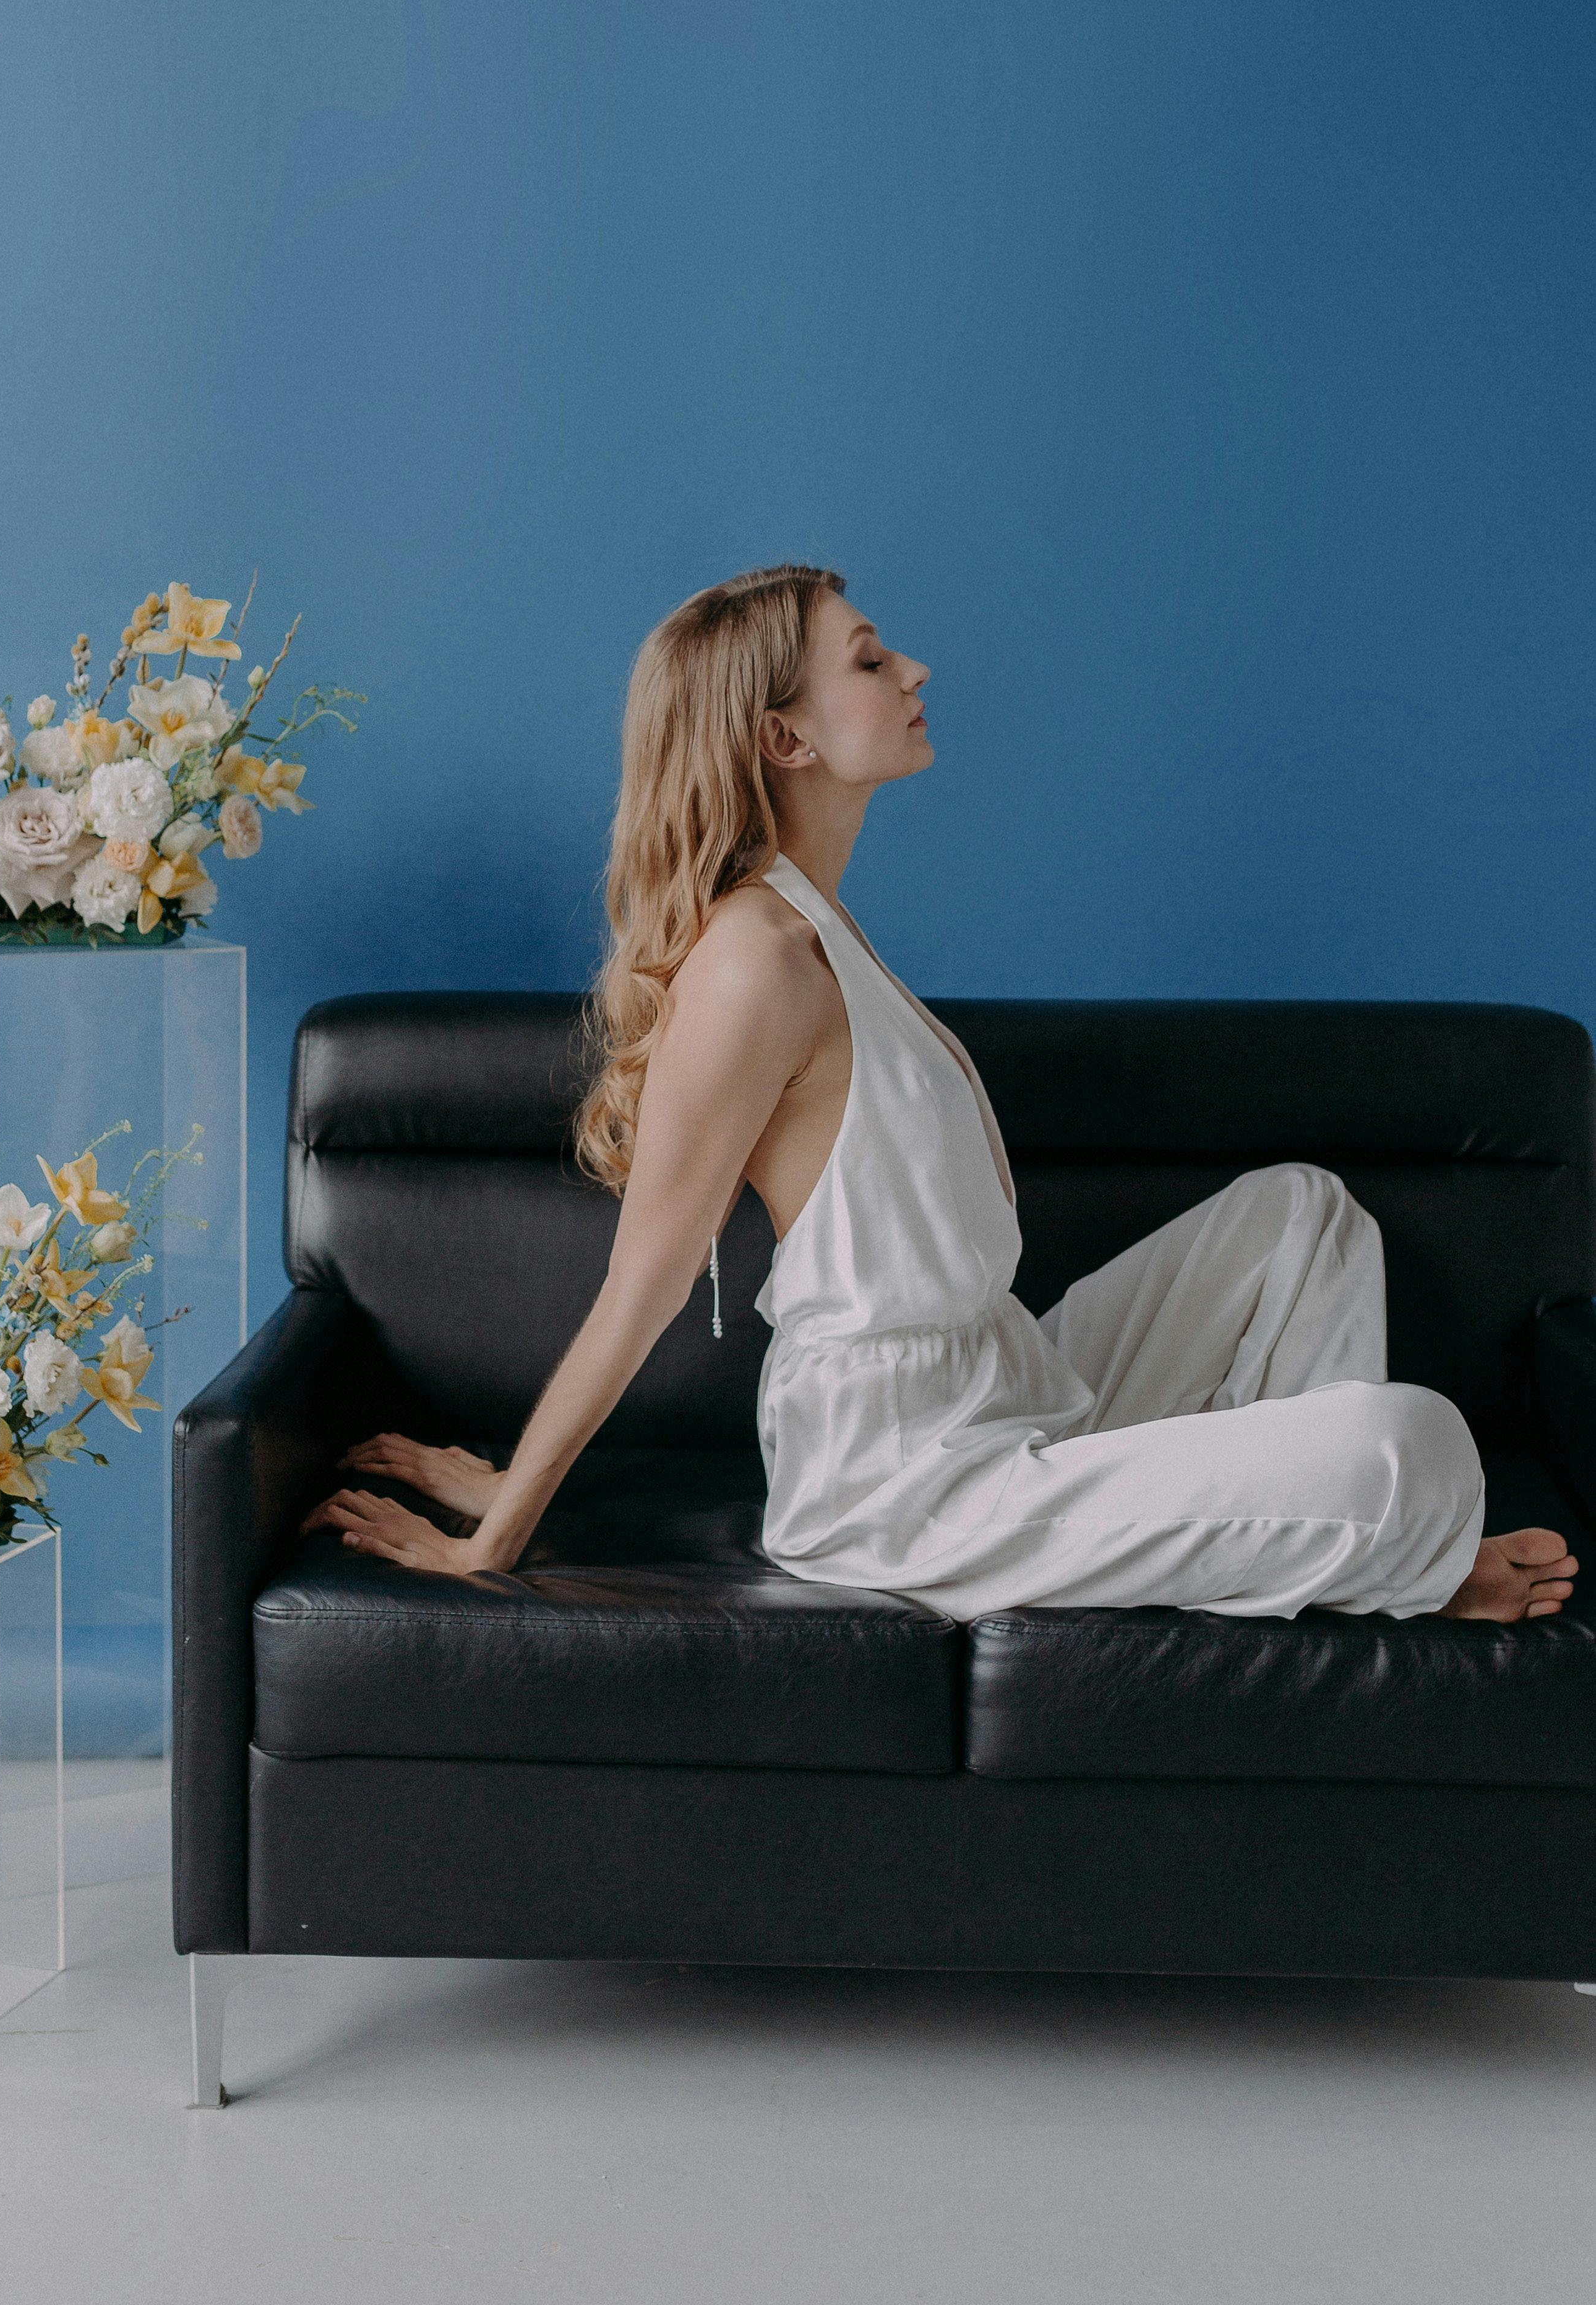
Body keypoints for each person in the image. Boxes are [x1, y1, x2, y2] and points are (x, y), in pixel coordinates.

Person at [306, 563, 1577, 1622]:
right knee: (1404, 1445)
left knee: (1300, 1216)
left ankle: (1275, 1546)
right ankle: (1356, 1558)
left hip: (1005, 1383)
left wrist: (493, 1485)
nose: (911, 671)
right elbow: (638, 1290)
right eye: (867, 660)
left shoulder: (820, 924)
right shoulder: (752, 962)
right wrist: (498, 1538)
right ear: (782, 737)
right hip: (903, 1482)